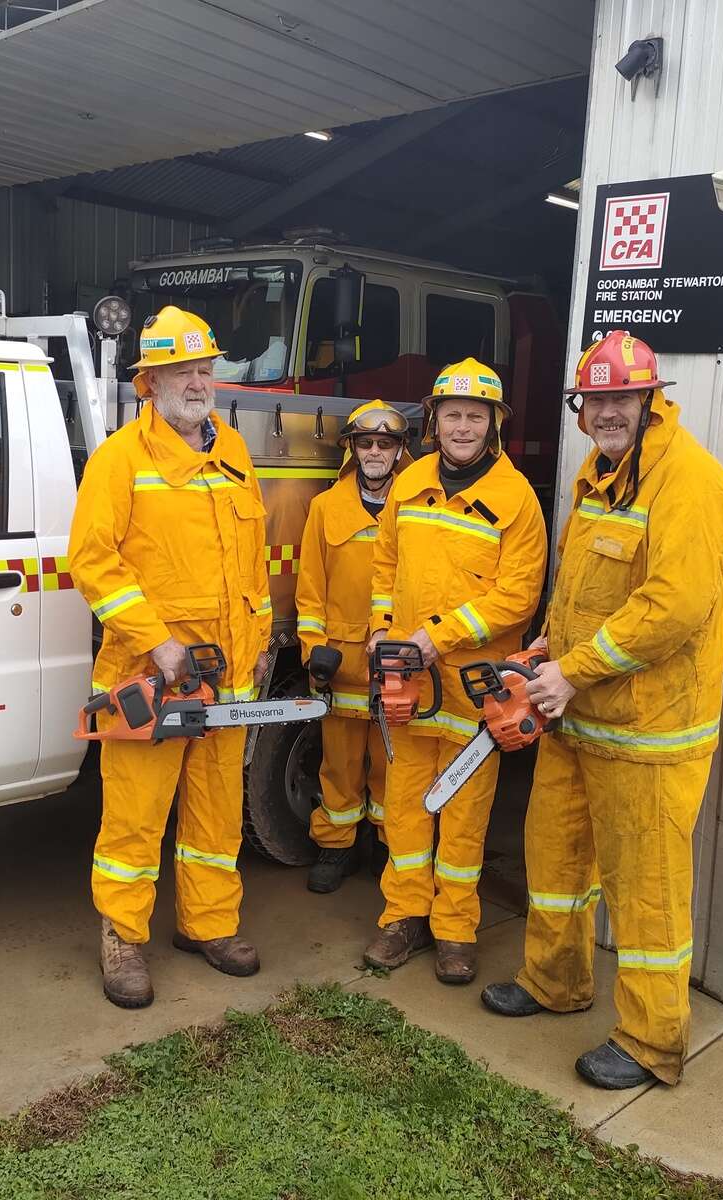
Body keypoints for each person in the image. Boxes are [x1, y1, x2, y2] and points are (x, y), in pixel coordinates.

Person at [479, 331, 723, 1091]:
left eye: (622, 397)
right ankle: (554, 979)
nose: (608, 411)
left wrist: (573, 669)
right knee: (555, 862)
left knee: (647, 894)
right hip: (578, 716)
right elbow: (587, 590)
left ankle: (653, 1041)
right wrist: (542, 650)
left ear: (651, 400)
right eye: (596, 399)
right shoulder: (602, 472)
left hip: (650, 732)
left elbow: (672, 608)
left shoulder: (689, 481)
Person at [68, 305, 272, 1010]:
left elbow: (247, 566)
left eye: (204, 367)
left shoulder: (235, 453)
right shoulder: (120, 459)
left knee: (218, 813)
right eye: (180, 370)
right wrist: (158, 642)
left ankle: (208, 925)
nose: (196, 380)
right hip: (149, 677)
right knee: (134, 817)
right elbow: (91, 562)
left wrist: (259, 646)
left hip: (229, 675)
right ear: (148, 382)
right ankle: (123, 938)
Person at [362, 359, 547, 984]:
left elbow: (517, 597)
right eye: (452, 414)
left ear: (493, 424)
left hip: (475, 687)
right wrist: (383, 632)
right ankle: (402, 917)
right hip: (408, 680)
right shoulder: (410, 482)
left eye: (475, 416)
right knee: (406, 804)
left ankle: (454, 931)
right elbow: (383, 566)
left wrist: (435, 639)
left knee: (465, 813)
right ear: (433, 419)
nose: (462, 426)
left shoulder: (516, 499)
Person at [294, 400, 410, 894]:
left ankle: (388, 846)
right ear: (352, 449)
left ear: (400, 450)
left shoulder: (419, 507)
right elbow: (309, 590)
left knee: (393, 763)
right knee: (338, 763)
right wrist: (313, 650)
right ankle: (336, 846)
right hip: (339, 662)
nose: (375, 452)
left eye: (386, 443)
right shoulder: (326, 508)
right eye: (366, 443)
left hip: (396, 661)